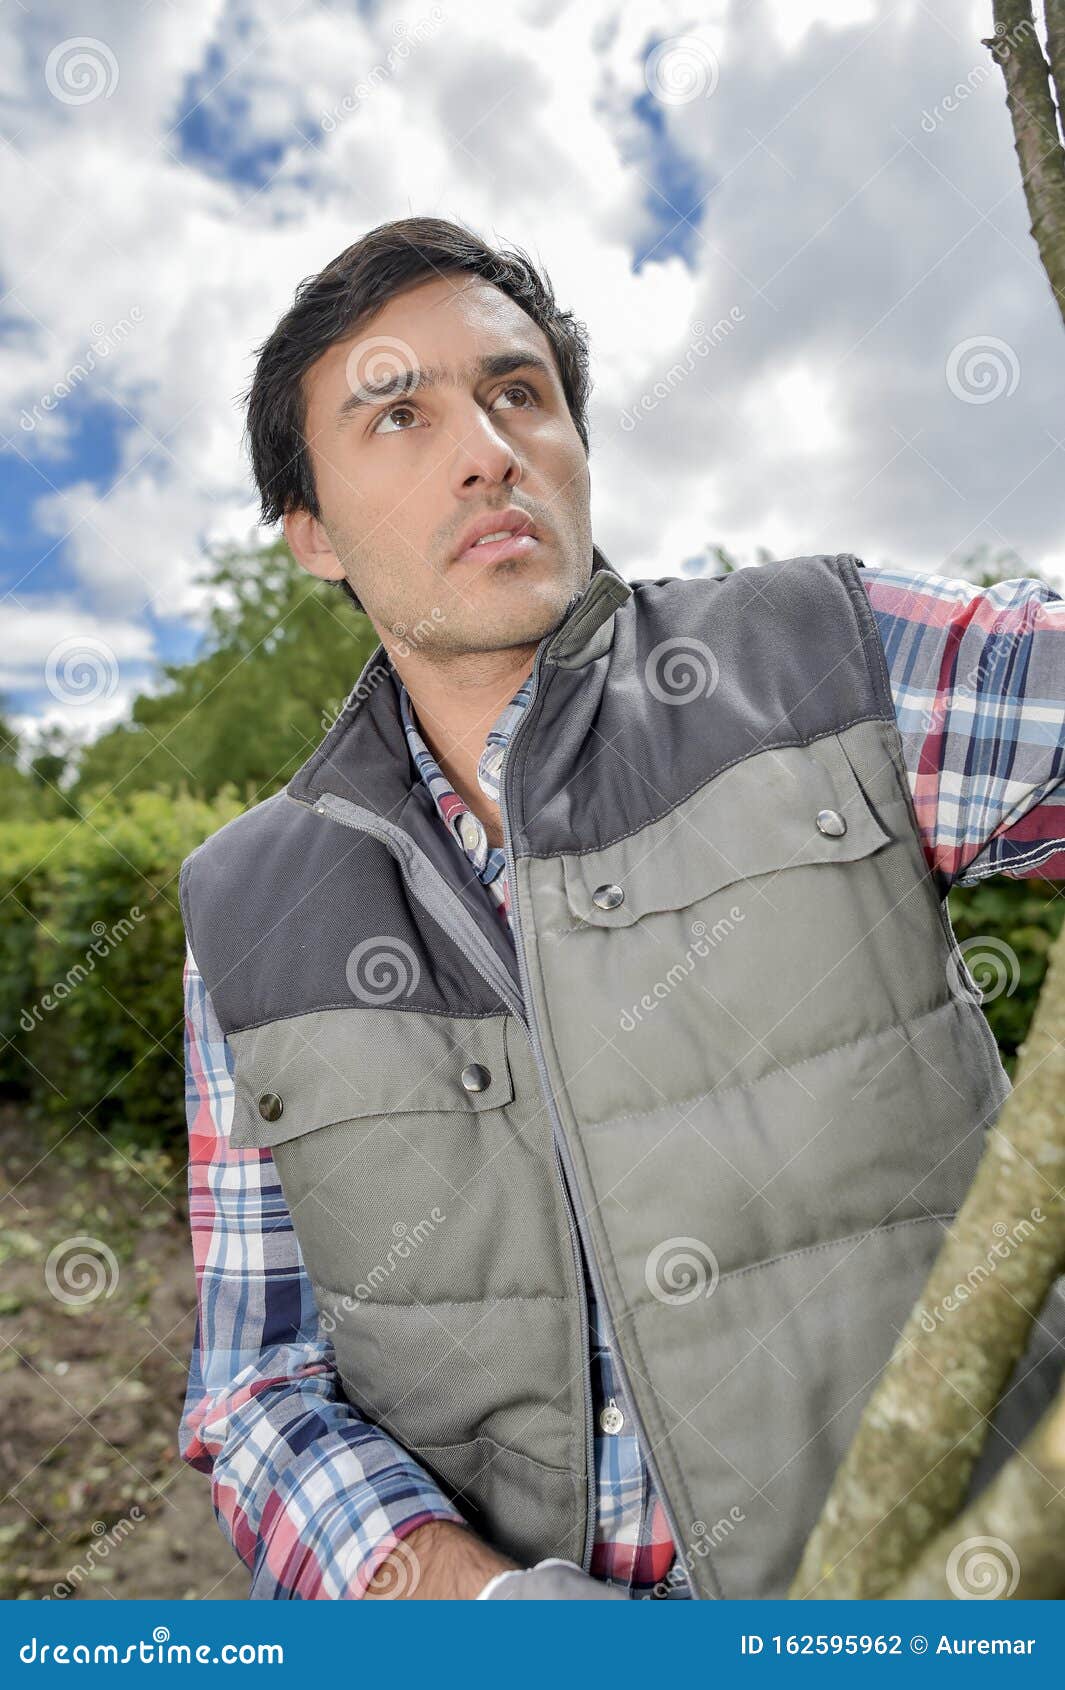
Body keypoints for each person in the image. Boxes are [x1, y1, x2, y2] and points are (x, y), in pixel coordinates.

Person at [178, 216, 1065, 1601]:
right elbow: (259, 1384)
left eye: (518, 393)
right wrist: (476, 1607)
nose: (486, 448)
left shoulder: (824, 660)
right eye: (399, 416)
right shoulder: (242, 908)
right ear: (310, 535)